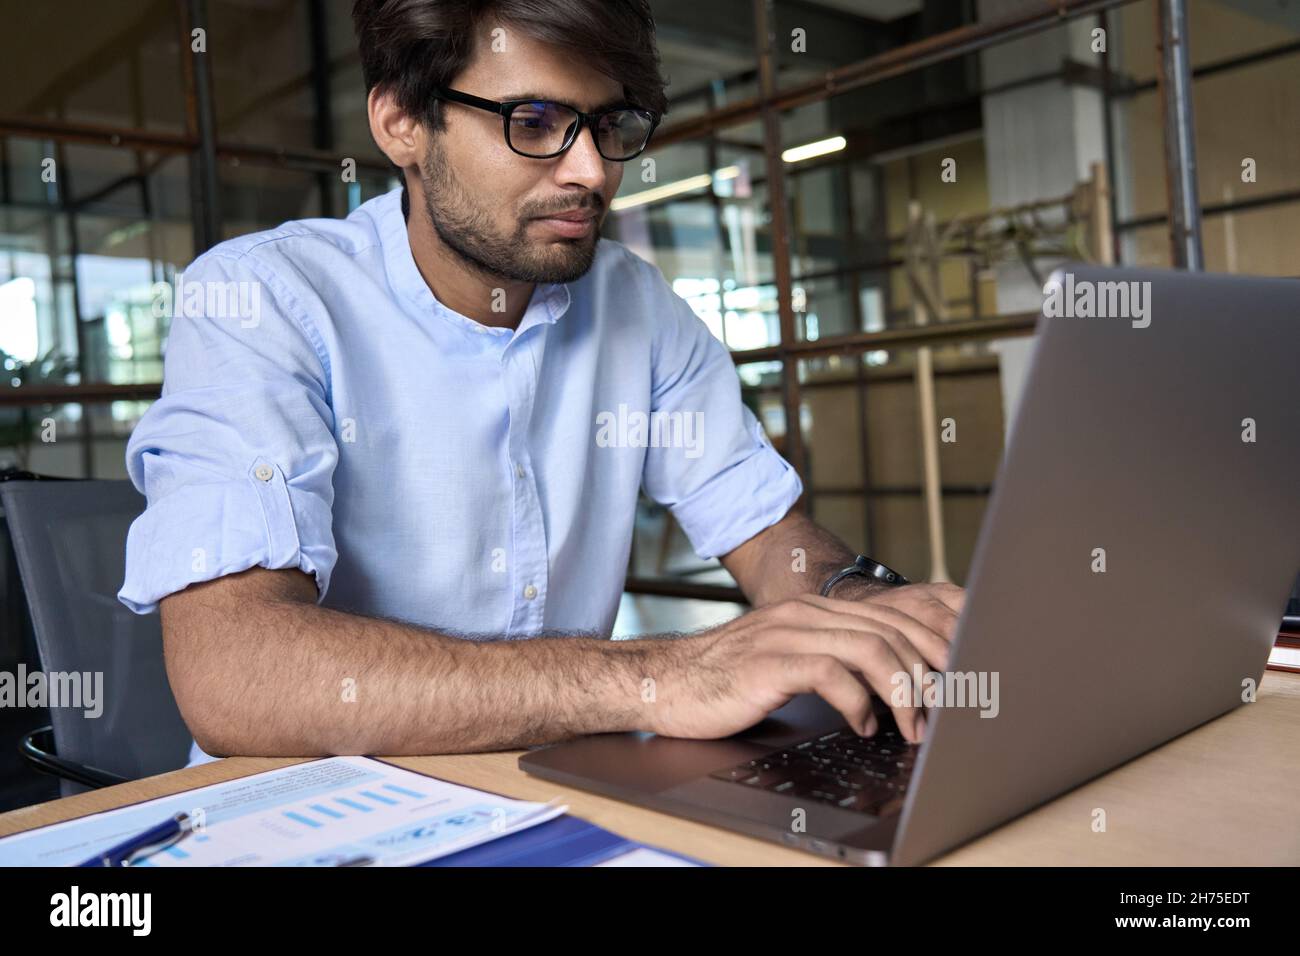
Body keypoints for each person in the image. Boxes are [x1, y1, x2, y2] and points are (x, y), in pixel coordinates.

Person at [118, 0, 964, 765]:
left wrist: (861, 606)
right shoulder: (263, 298)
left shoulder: (636, 305)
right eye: (534, 120)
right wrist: (659, 677)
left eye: (611, 126)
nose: (592, 172)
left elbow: (764, 532)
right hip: (317, 818)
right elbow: (236, 673)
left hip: (554, 790)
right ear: (401, 123)